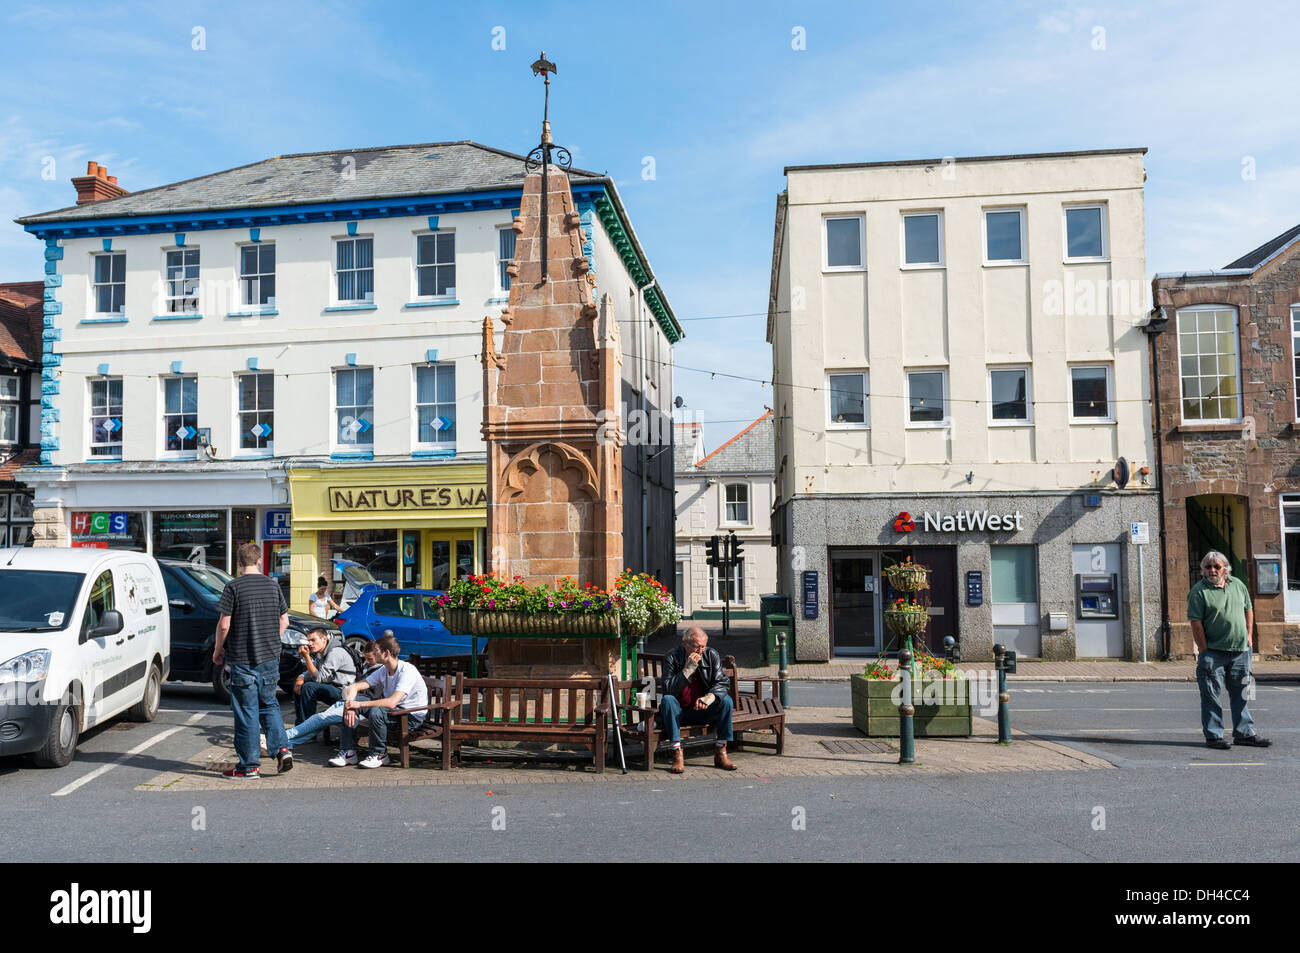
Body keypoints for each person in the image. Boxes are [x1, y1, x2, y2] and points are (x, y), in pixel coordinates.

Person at [214, 541, 291, 779]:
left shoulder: (233, 587)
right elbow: (285, 621)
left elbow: (225, 624)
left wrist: (218, 649)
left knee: (247, 711)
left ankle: (249, 767)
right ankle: (282, 750)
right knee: (269, 705)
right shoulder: (272, 585)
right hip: (269, 657)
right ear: (259, 561)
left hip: (242, 659)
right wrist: (272, 640)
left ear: (239, 564)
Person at [1188, 550, 1271, 750]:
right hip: (1214, 653)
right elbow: (1195, 623)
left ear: (1225, 568)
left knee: (1242, 693)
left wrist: (1250, 637)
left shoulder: (1238, 585)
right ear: (1203, 570)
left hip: (1241, 652)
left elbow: (1248, 610)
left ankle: (1244, 733)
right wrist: (1204, 650)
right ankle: (1214, 736)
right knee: (1211, 695)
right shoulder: (1199, 591)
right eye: (1208, 567)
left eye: (1216, 566)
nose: (1212, 570)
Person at [332, 634, 430, 768]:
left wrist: (358, 704)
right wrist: (350, 705)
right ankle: (349, 753)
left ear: (386, 653)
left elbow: (392, 702)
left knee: (376, 710)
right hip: (394, 712)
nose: (374, 653)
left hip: (411, 717)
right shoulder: (384, 669)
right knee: (353, 703)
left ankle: (380, 754)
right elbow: (355, 686)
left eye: (376, 651)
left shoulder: (407, 671)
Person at [658, 626, 736, 773]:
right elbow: (668, 689)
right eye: (697, 647)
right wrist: (687, 670)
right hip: (679, 712)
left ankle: (721, 751)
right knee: (668, 700)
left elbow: (722, 682)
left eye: (703, 646)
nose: (701, 651)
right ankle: (677, 755)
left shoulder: (711, 654)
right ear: (685, 644)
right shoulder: (672, 657)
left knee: (726, 701)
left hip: (702, 710)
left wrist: (709, 697)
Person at [284, 641, 382, 748]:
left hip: (361, 706)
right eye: (365, 658)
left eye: (370, 659)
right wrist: (301, 677)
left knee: (320, 718)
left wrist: (353, 703)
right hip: (349, 701)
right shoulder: (368, 667)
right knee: (319, 720)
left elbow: (373, 696)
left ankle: (281, 738)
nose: (366, 662)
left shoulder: (380, 670)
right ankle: (285, 743)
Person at [293, 627, 357, 726]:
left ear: (324, 639)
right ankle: (301, 724)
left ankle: (307, 728)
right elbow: (312, 671)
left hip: (344, 692)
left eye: (313, 640)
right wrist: (300, 678)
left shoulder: (335, 653)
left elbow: (319, 678)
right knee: (299, 684)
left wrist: (307, 658)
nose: (310, 644)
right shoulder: (321, 652)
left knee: (309, 687)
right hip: (331, 686)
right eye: (309, 640)